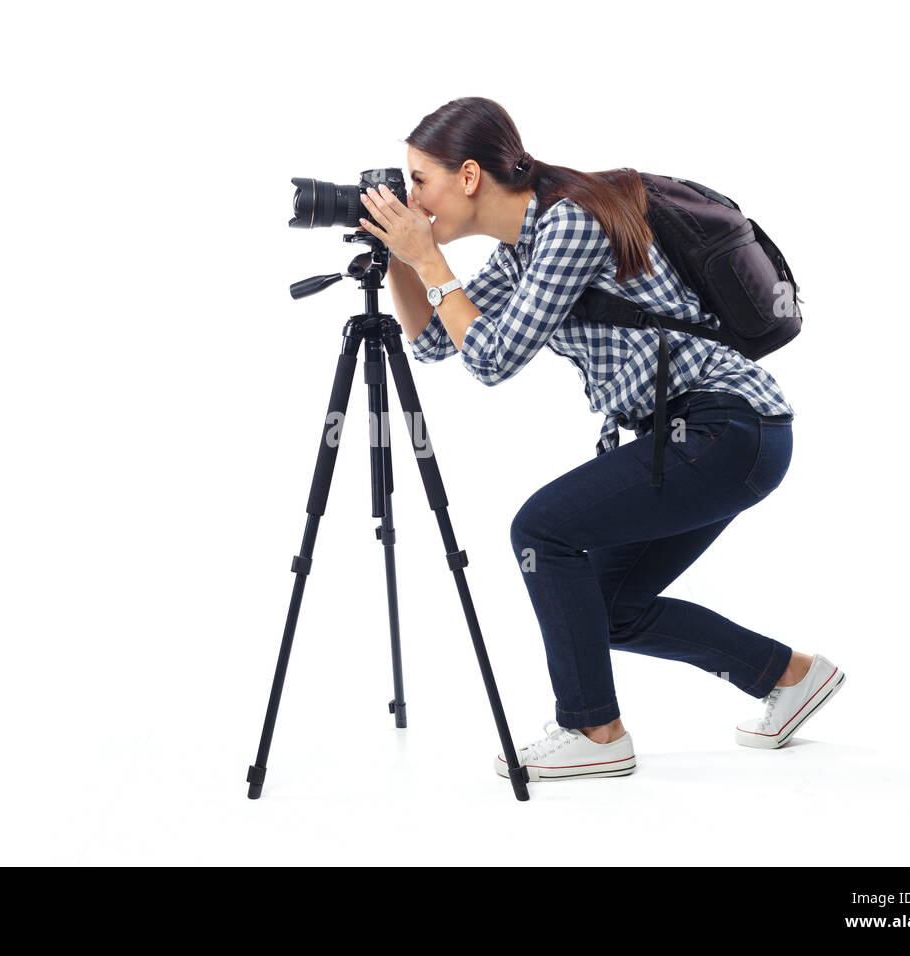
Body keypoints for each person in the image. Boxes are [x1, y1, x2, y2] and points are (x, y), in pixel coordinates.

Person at [357, 96, 845, 783]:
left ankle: (593, 729)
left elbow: (493, 359)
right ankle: (788, 677)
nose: (413, 199)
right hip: (700, 435)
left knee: (542, 530)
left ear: (468, 176)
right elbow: (441, 342)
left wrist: (429, 260)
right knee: (611, 608)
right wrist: (404, 259)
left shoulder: (570, 224)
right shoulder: (521, 248)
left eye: (419, 181)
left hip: (725, 427)